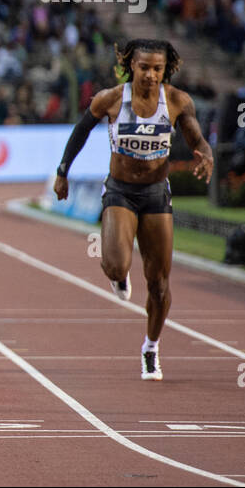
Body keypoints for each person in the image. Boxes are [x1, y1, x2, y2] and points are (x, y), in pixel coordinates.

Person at [53, 39, 213, 381]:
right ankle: (119, 274)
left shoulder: (176, 100)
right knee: (114, 265)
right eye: (144, 68)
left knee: (158, 284)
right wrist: (63, 171)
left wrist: (205, 151)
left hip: (156, 194)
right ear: (131, 67)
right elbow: (80, 131)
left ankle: (151, 348)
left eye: (157, 69)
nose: (151, 75)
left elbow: (195, 137)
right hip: (120, 191)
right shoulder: (110, 99)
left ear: (165, 69)